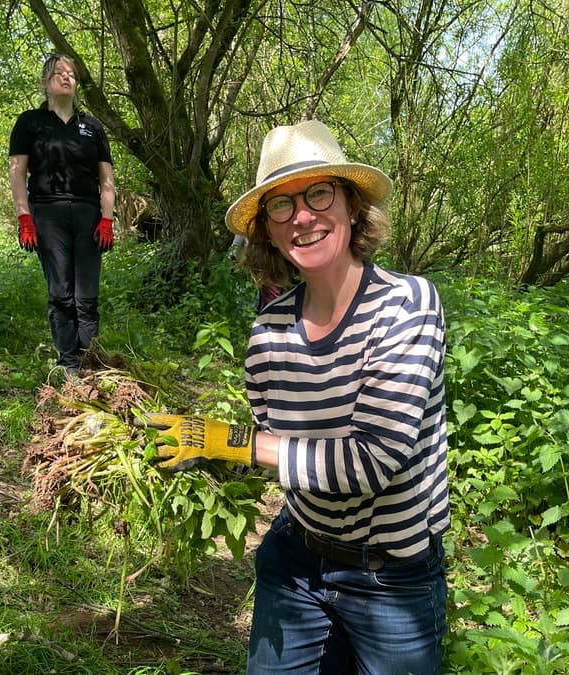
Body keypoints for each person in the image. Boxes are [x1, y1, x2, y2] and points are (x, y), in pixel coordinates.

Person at [145, 120, 450, 674]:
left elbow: (373, 461)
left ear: (352, 205)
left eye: (318, 193)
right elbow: (283, 454)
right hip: (297, 555)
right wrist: (198, 460)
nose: (303, 217)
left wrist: (229, 443)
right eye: (281, 206)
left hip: (391, 576)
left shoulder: (406, 305)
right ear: (266, 230)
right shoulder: (269, 332)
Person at [9, 54, 116, 379]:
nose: (67, 77)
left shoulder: (92, 127)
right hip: (47, 214)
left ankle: (89, 361)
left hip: (87, 215)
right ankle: (68, 363)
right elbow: (17, 173)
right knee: (61, 292)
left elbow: (106, 178)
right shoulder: (29, 123)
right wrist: (24, 216)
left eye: (71, 74)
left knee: (87, 295)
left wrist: (107, 218)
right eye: (59, 73)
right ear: (46, 82)